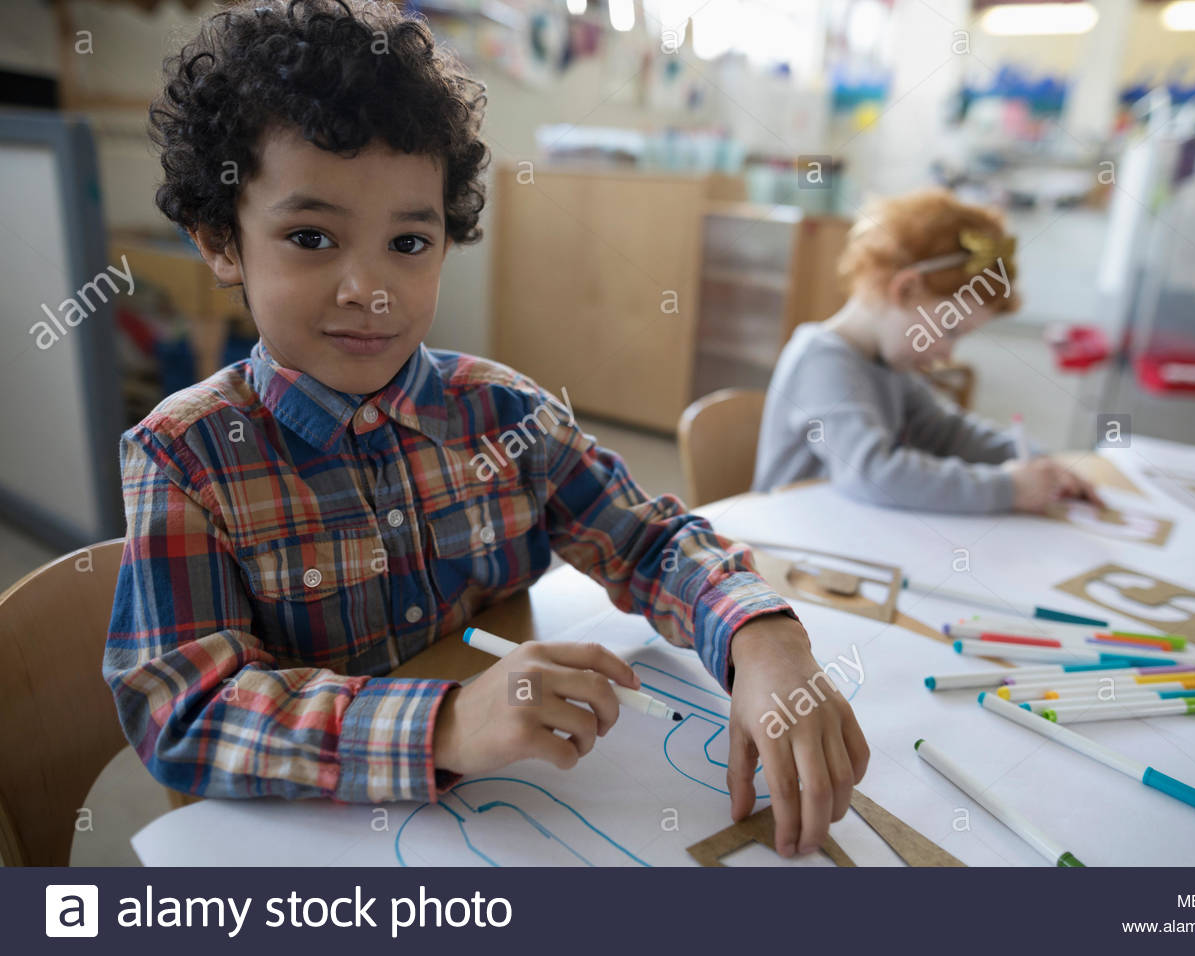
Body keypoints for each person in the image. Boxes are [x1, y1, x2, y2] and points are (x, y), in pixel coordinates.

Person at [103, 0, 867, 859]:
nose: (371, 288)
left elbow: (650, 542)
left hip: (517, 828)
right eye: (311, 237)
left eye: (409, 241)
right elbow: (187, 712)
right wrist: (448, 721)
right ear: (221, 241)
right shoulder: (186, 456)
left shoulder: (504, 415)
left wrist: (764, 638)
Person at [753, 188, 1102, 514]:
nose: (949, 354)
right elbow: (874, 473)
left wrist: (1037, 462)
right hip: (787, 556)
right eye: (949, 331)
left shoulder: (889, 364)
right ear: (906, 289)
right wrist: (1007, 488)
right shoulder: (822, 361)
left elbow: (948, 433)